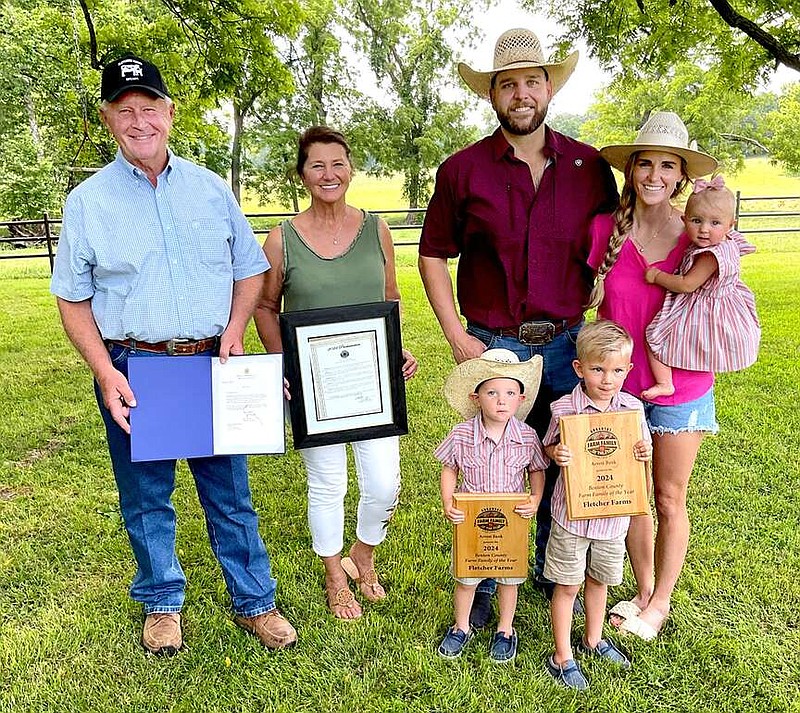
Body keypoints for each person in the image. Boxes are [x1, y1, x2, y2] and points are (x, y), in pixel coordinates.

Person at [50, 54, 296, 655]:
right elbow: (72, 297)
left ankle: (255, 602)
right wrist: (104, 370)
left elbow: (249, 273)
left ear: (170, 112)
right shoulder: (88, 202)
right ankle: (162, 601)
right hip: (136, 366)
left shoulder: (212, 190)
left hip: (213, 364)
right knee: (147, 495)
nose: (140, 121)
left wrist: (237, 330)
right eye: (125, 110)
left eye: (149, 107)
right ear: (108, 118)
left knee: (230, 495)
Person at [418, 26, 619, 627]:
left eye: (533, 80)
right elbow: (432, 254)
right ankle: (483, 578)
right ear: (493, 95)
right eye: (508, 83)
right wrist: (457, 337)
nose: (521, 92)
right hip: (495, 347)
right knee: (490, 460)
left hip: (566, 346)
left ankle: (552, 570)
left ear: (549, 88)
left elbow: (619, 246)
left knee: (562, 460)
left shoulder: (589, 167)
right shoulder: (462, 170)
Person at [254, 126, 418, 621]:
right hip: (313, 384)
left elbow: (390, 295)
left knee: (385, 481)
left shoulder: (378, 229)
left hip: (372, 382)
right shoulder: (282, 239)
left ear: (351, 169)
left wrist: (396, 349)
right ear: (302, 174)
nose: (329, 174)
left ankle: (362, 554)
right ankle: (333, 572)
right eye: (317, 165)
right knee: (328, 483)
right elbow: (264, 306)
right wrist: (284, 362)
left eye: (338, 163)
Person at [586, 110, 720, 640]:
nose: (655, 176)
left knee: (668, 496)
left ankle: (660, 602)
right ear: (632, 169)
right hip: (618, 390)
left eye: (669, 166)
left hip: (683, 387)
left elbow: (721, 305)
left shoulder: (701, 238)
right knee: (631, 496)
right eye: (646, 164)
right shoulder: (603, 231)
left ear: (681, 175)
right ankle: (641, 591)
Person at [542, 320, 652, 690]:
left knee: (599, 580)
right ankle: (562, 656)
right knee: (567, 585)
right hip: (571, 517)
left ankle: (593, 638)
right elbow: (547, 449)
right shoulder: (563, 409)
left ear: (628, 370)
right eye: (598, 369)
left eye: (618, 370)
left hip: (612, 518)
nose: (608, 378)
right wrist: (558, 451)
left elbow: (641, 454)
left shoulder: (632, 410)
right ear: (579, 368)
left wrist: (643, 451)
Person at [435, 349, 548, 662]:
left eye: (510, 393)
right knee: (466, 576)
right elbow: (449, 467)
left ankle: (505, 629)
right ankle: (461, 626)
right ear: (476, 397)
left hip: (510, 522)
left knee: (509, 578)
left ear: (521, 399)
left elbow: (537, 470)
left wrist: (535, 499)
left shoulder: (527, 437)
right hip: (471, 522)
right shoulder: (460, 434)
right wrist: (448, 500)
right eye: (492, 392)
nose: (501, 400)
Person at [641, 176, 760, 400]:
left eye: (715, 223)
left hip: (704, 306)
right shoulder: (728, 240)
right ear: (684, 220)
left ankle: (665, 383)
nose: (704, 229)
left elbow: (687, 284)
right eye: (696, 221)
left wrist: (657, 276)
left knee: (655, 335)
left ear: (730, 225)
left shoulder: (710, 255)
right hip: (720, 302)